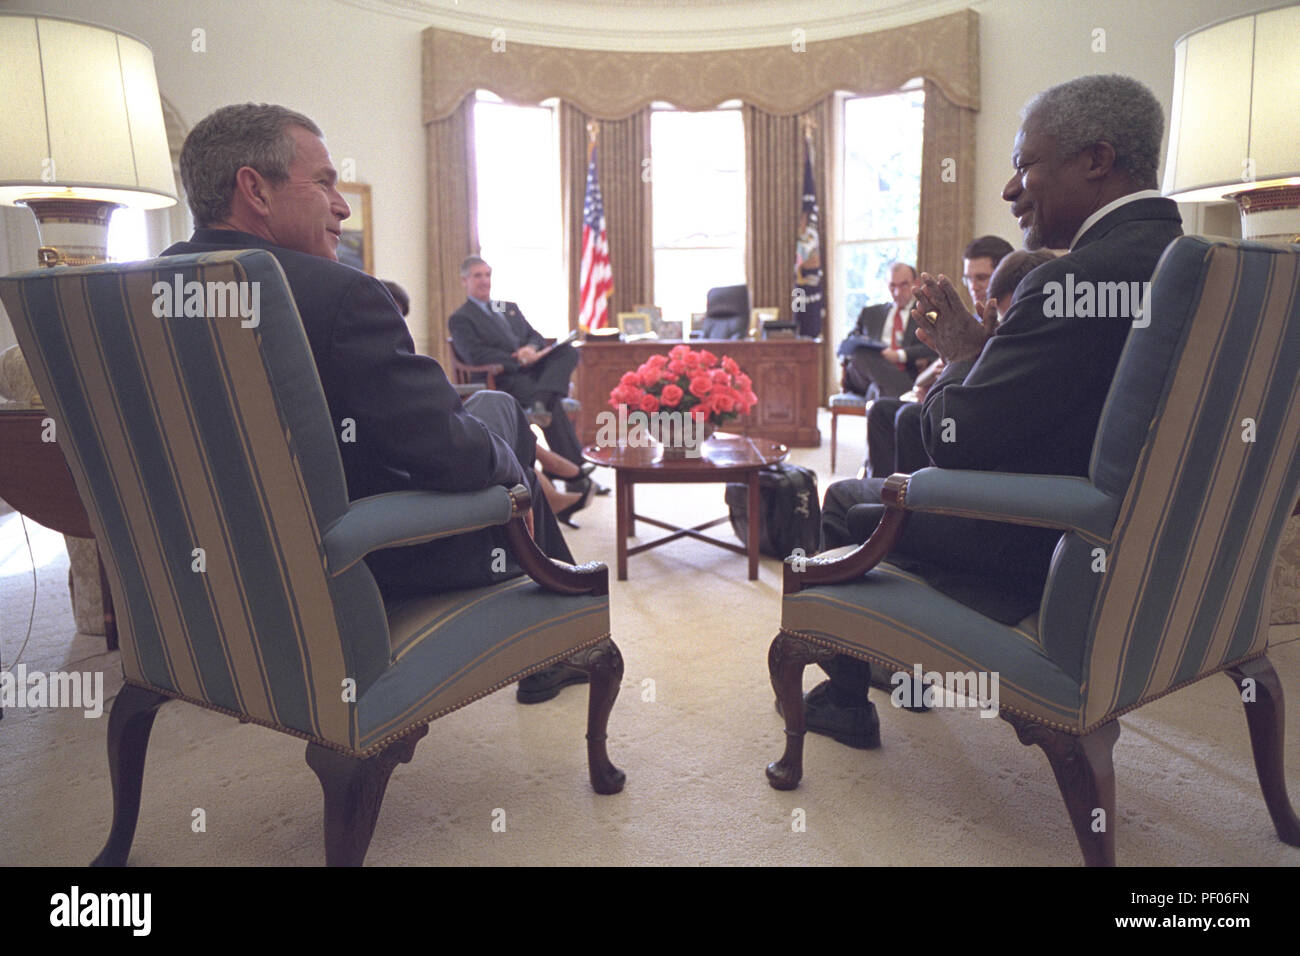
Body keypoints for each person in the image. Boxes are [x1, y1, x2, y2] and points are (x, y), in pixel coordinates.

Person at [165, 103, 587, 703]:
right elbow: (451, 459)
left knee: (496, 414)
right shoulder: (339, 295)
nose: (340, 206)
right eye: (326, 184)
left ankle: (560, 614)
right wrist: (512, 473)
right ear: (254, 190)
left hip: (213, 570)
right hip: (356, 560)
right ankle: (563, 632)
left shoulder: (138, 292)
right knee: (499, 432)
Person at [811, 74, 1184, 749]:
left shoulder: (1074, 280)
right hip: (1157, 553)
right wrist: (989, 348)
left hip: (1049, 545)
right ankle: (906, 663)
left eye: (1025, 165)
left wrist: (958, 355)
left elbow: (957, 441)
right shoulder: (1193, 264)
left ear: (1097, 160)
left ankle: (850, 699)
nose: (1011, 190)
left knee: (844, 503)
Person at [863, 238, 1017, 478]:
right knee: (881, 410)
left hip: (973, 410)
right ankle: (880, 488)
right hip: (940, 390)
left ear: (1002, 277)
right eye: (968, 278)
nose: (973, 286)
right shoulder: (974, 321)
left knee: (908, 417)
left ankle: (909, 502)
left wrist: (952, 367)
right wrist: (928, 378)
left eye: (981, 278)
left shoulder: (1009, 321)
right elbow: (939, 366)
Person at [448, 258, 585, 468]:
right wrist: (517, 359)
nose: (485, 280)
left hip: (531, 371)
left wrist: (530, 348)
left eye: (487, 274)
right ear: (464, 280)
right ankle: (576, 471)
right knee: (552, 402)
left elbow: (536, 336)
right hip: (501, 377)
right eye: (478, 276)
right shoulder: (461, 317)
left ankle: (541, 400)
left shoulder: (504, 306)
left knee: (568, 351)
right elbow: (474, 355)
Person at [836, 262, 935, 399]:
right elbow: (848, 343)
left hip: (903, 373)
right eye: (892, 286)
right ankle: (901, 394)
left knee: (877, 389)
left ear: (916, 284)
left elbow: (934, 347)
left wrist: (899, 355)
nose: (897, 292)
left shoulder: (927, 314)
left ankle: (881, 395)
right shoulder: (870, 313)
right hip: (865, 376)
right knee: (861, 355)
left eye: (904, 285)